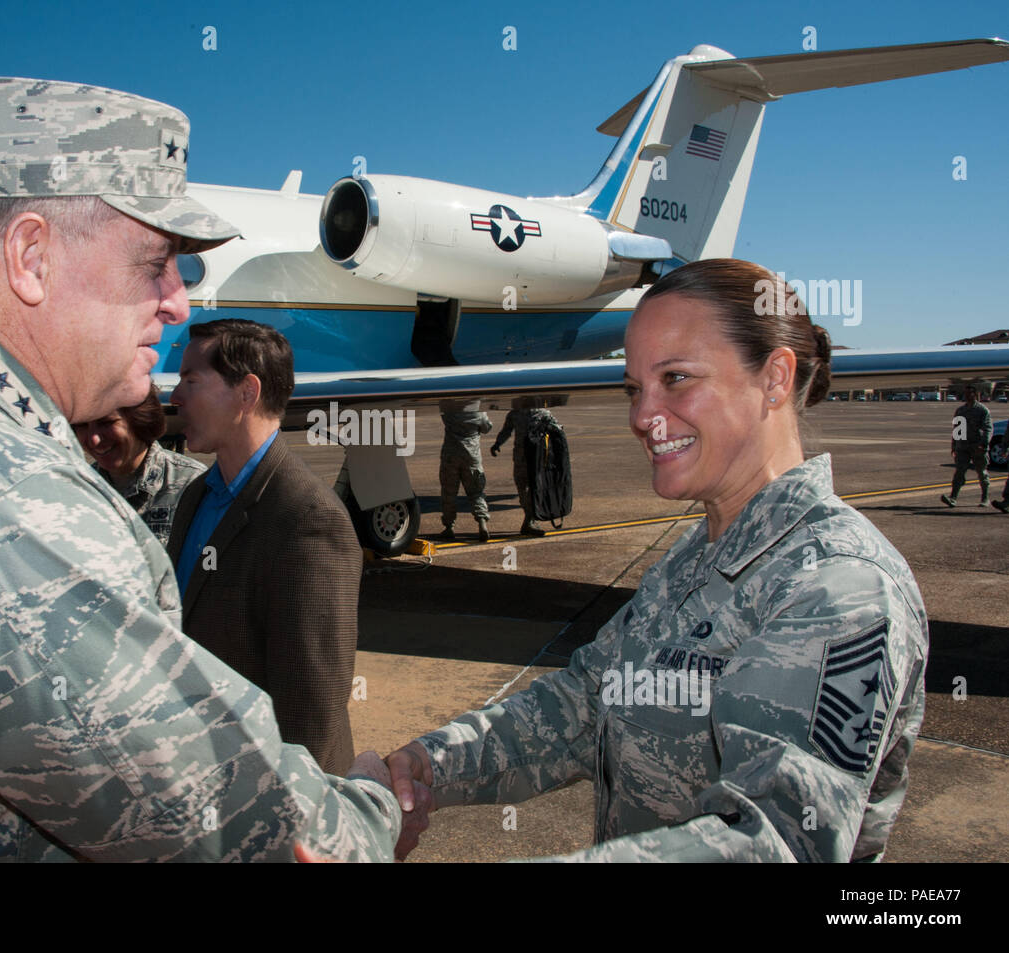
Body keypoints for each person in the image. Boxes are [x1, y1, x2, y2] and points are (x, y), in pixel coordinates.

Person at [0, 78, 402, 862]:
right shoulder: (3, 501)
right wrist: (372, 804)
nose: (177, 302)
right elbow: (235, 825)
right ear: (30, 257)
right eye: (156, 264)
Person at [384, 259, 928, 862]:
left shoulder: (839, 586)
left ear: (775, 379)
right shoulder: (692, 558)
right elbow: (584, 704)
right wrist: (424, 765)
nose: (642, 418)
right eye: (634, 389)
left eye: (676, 378)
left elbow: (769, 842)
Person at [168, 319, 361, 776]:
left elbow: (311, 708)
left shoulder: (307, 519)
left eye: (191, 382)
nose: (175, 398)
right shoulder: (197, 496)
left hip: (268, 800)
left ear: (246, 393)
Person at [74, 384, 205, 548]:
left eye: (107, 423)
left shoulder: (193, 485)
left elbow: (210, 564)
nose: (94, 438)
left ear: (140, 420)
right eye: (82, 425)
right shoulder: (79, 489)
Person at [491, 396, 560, 536]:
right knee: (525, 487)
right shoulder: (538, 414)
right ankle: (530, 519)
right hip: (529, 458)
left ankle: (530, 519)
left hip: (533, 458)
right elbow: (557, 429)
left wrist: (498, 443)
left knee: (528, 488)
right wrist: (497, 443)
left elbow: (557, 430)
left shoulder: (532, 414)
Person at [437, 400, 492, 542]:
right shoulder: (478, 413)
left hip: (451, 455)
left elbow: (443, 413)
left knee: (449, 492)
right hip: (472, 456)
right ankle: (482, 523)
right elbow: (487, 427)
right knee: (476, 492)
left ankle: (449, 527)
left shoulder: (450, 411)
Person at [941, 385, 992, 507]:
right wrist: (954, 446)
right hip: (963, 447)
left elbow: (988, 429)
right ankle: (953, 497)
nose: (967, 395)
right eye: (966, 393)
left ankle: (985, 498)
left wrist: (984, 444)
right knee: (959, 472)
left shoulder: (982, 410)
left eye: (970, 393)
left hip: (977, 447)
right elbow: (957, 430)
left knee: (981, 472)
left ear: (975, 394)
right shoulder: (960, 410)